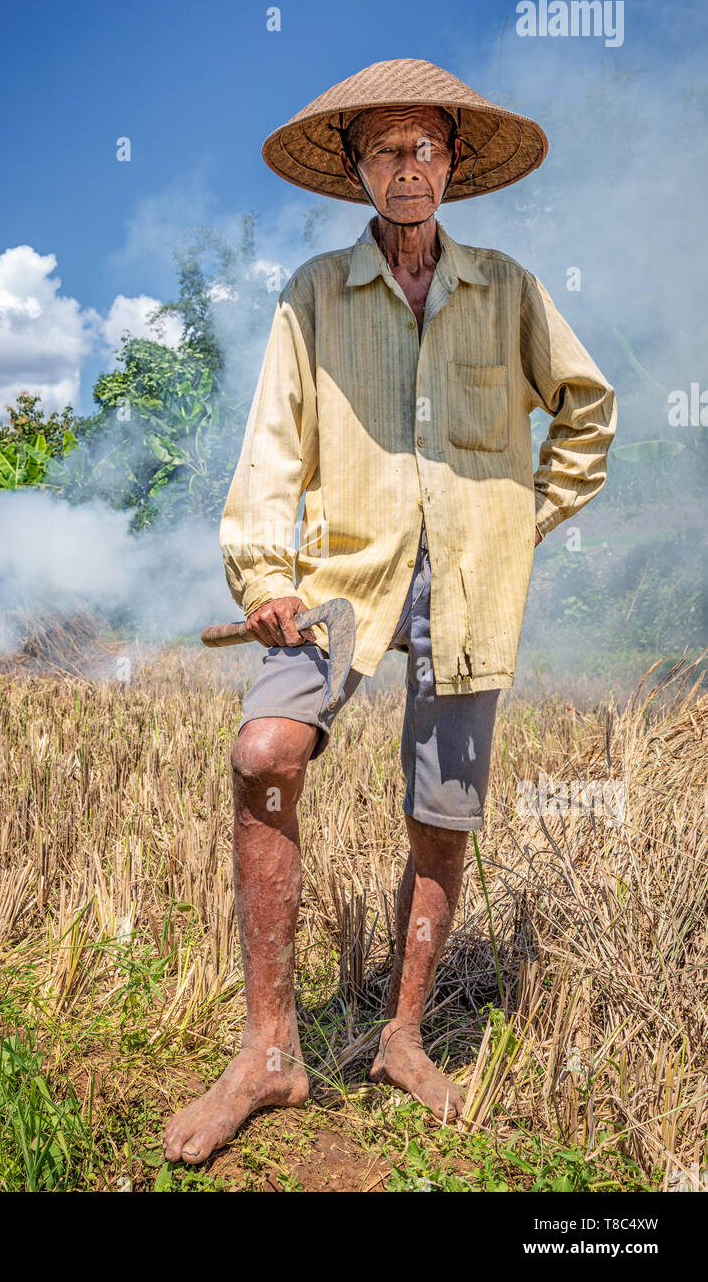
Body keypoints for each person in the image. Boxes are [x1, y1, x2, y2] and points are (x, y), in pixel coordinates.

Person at [163, 58, 617, 1165]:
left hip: (466, 582)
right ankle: (270, 1048)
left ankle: (403, 1036)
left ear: (452, 166)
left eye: (423, 147)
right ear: (356, 169)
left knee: (442, 806)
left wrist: (513, 520)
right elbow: (271, 444)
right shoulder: (314, 294)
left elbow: (586, 415)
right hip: (340, 578)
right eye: (383, 149)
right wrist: (264, 572)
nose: (405, 168)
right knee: (263, 748)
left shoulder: (504, 288)